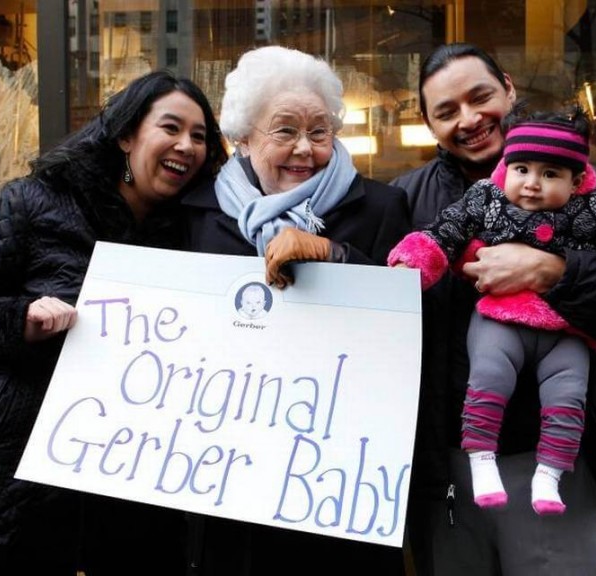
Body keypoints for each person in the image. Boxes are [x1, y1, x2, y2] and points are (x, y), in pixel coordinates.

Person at [0, 70, 227, 576]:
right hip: (15, 475)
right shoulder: (39, 199)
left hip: (136, 484)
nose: (187, 145)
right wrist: (19, 320)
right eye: (171, 128)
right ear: (127, 134)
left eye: (199, 136)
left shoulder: (198, 230)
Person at [391, 43, 596, 576]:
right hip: (444, 468)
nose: (470, 120)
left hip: (556, 463)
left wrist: (555, 272)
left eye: (481, 97)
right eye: (446, 111)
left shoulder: (588, 189)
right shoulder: (406, 201)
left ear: (509, 89)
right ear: (429, 126)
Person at [180, 46, 411, 576]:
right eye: (284, 131)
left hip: (336, 480)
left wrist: (335, 256)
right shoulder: (197, 213)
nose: (305, 149)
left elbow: (414, 311)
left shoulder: (380, 207)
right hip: (226, 472)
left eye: (320, 131)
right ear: (243, 137)